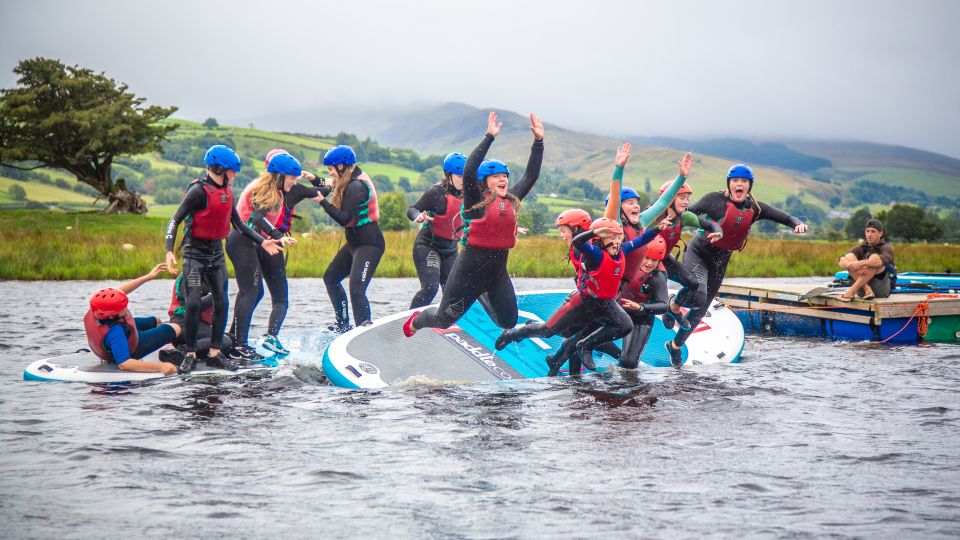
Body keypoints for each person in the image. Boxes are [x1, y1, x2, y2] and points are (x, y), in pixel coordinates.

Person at [403, 111, 544, 336]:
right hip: (467, 274)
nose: (503, 179)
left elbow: (530, 175)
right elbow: (469, 171)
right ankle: (414, 322)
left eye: (505, 176)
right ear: (485, 182)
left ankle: (481, 296)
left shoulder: (511, 199)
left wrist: (538, 142)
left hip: (496, 274)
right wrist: (489, 136)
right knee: (442, 320)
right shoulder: (475, 202)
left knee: (508, 321)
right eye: (496, 176)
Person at [665, 163, 808, 367]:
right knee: (698, 295)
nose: (739, 185)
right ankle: (674, 304)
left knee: (701, 308)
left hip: (721, 261)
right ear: (729, 184)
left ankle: (675, 347)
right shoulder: (714, 200)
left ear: (749, 186)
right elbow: (687, 213)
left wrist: (797, 224)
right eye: (735, 181)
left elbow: (784, 217)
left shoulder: (755, 209)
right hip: (699, 252)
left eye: (744, 182)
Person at [165, 145, 283, 373]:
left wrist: (263, 241)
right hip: (194, 254)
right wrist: (170, 250)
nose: (235, 175)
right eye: (232, 171)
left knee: (222, 302)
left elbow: (238, 225)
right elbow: (174, 219)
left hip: (216, 253)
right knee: (193, 302)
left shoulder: (228, 192)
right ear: (220, 169)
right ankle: (189, 354)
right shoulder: (198, 192)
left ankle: (215, 354)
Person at [227, 151, 300, 359]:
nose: (294, 183)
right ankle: (239, 344)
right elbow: (258, 218)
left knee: (267, 293)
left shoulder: (277, 187)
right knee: (251, 292)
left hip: (261, 242)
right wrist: (278, 235)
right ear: (279, 175)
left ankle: (237, 338)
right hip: (241, 240)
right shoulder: (262, 188)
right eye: (292, 178)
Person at [316, 145, 385, 331]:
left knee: (356, 288)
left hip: (370, 245)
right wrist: (313, 179)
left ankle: (364, 329)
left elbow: (344, 218)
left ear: (341, 166)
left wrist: (322, 202)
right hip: (354, 244)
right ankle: (343, 324)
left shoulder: (356, 186)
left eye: (331, 170)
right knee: (331, 278)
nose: (330, 174)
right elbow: (330, 185)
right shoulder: (349, 178)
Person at [649, 179, 723, 330]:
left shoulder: (684, 217)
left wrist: (718, 232)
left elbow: (710, 225)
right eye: (682, 198)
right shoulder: (652, 215)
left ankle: (674, 308)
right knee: (657, 294)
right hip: (646, 263)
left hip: (664, 259)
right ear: (669, 199)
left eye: (687, 198)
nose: (686, 202)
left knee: (693, 283)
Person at [83, 264, 180, 376]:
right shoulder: (115, 332)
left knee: (156, 321)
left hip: (128, 331)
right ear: (112, 315)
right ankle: (174, 346)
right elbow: (124, 364)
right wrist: (161, 367)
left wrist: (148, 276)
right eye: (123, 307)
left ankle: (163, 342)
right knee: (176, 327)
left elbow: (119, 291)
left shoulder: (97, 307)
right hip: (133, 348)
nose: (127, 307)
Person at [406, 152, 466, 309]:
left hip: (451, 250)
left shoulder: (471, 194)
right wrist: (418, 216)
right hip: (428, 245)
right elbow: (412, 209)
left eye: (465, 176)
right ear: (448, 175)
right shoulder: (436, 193)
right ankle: (411, 323)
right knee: (430, 288)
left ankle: (447, 325)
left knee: (454, 293)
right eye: (459, 176)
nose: (463, 180)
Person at [166, 272, 233, 360]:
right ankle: (180, 351)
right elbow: (192, 307)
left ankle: (192, 351)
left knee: (231, 340)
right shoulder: (188, 276)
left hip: (199, 327)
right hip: (182, 324)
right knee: (225, 341)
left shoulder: (210, 276)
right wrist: (216, 295)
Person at [838, 218, 895, 301]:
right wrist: (850, 265)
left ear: (880, 233)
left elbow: (878, 262)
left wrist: (860, 264)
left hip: (880, 289)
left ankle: (850, 292)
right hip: (862, 290)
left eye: (873, 231)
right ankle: (867, 289)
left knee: (874, 259)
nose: (869, 234)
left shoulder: (886, 248)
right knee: (849, 256)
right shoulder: (861, 247)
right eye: (867, 231)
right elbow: (841, 261)